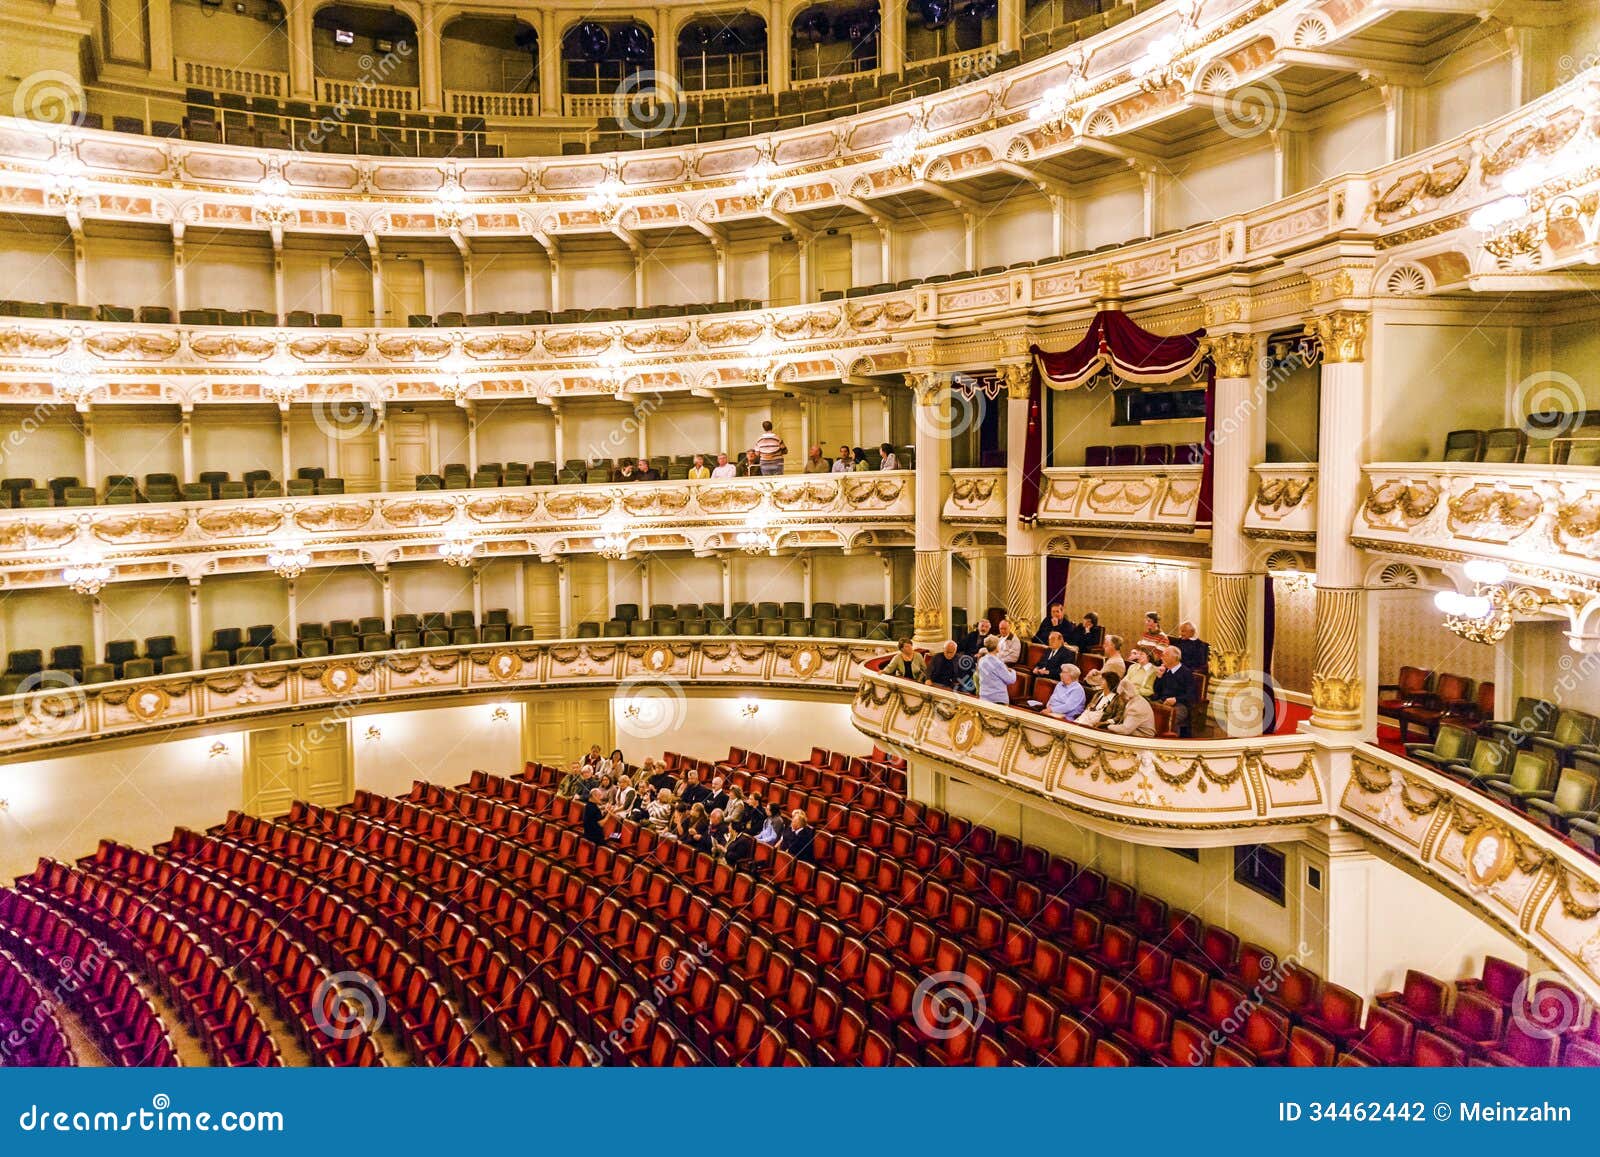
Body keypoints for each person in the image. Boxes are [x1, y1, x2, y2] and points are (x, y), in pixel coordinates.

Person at [1153, 645, 1198, 736]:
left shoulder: (1186, 673)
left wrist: (1176, 699)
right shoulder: (1165, 671)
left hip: (1181, 705)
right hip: (1163, 702)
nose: (1162, 657)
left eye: (1165, 655)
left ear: (1175, 657)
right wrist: (1159, 677)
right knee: (1148, 711)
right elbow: (1157, 691)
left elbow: (1191, 695)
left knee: (1170, 718)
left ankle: (1170, 740)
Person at [976, 635, 1016, 704]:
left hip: (984, 697)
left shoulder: (982, 660)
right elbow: (1010, 680)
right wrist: (1013, 671)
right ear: (996, 646)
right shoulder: (998, 663)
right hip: (997, 699)